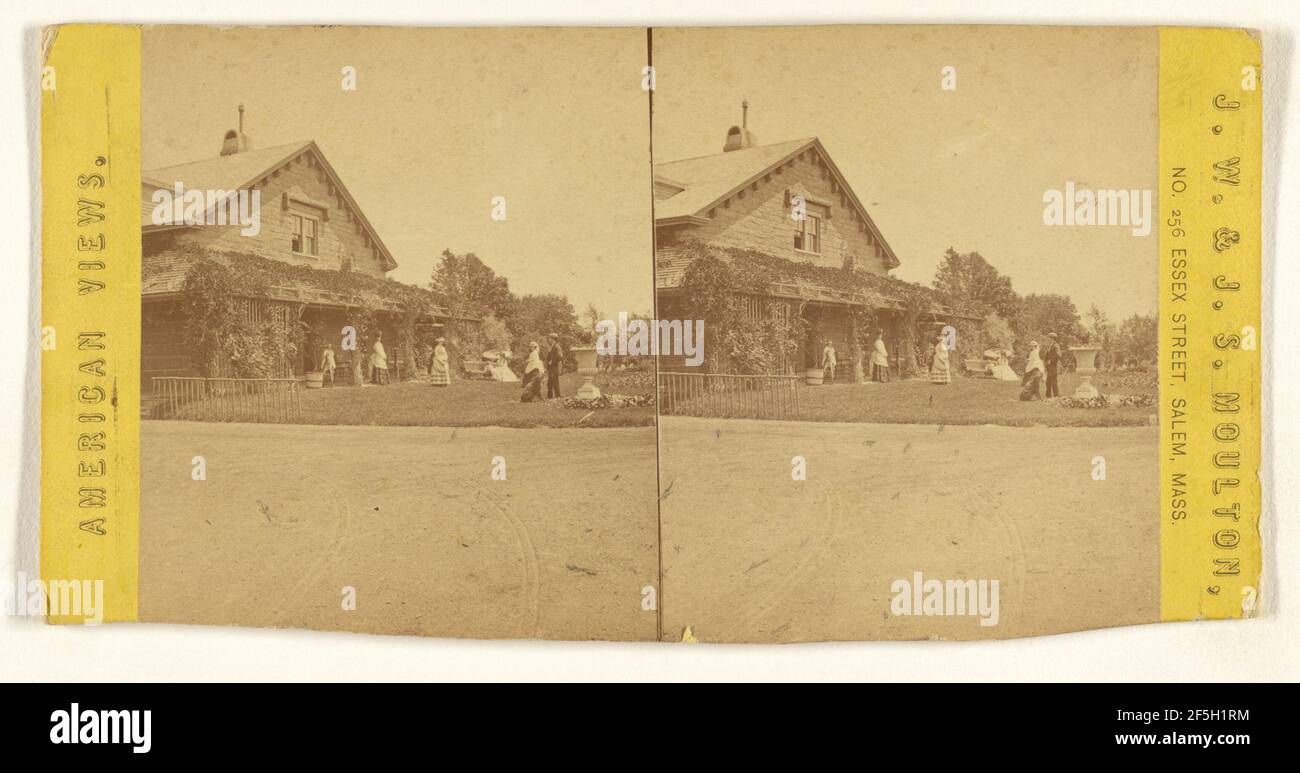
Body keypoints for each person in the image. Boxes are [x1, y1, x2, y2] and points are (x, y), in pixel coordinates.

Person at [1042, 332, 1061, 398]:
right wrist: (1046, 361)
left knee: (1053, 382)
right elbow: (1047, 355)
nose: (1048, 339)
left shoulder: (1056, 346)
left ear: (1052, 338)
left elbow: (1058, 355)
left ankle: (1056, 396)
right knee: (1048, 382)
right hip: (1049, 367)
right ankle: (1048, 396)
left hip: (1053, 366)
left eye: (1049, 338)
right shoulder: (1050, 345)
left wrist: (1051, 361)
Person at [545, 332, 563, 399]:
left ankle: (557, 396)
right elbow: (549, 356)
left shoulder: (557, 346)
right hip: (551, 367)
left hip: (555, 366)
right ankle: (551, 396)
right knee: (550, 382)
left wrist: (552, 361)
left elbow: (560, 356)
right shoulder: (552, 346)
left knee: (554, 381)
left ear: (553, 339)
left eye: (550, 338)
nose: (549, 339)